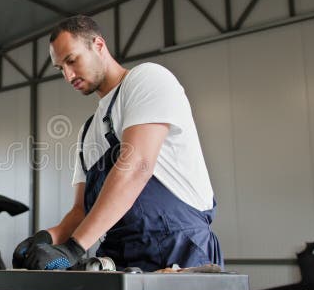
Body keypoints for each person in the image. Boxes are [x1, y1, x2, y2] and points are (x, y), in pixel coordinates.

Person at [13, 15, 223, 272]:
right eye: (60, 69)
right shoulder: (88, 131)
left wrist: (74, 248)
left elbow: (136, 167)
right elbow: (81, 211)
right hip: (118, 257)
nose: (68, 76)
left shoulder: (147, 80)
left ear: (98, 45)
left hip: (177, 250)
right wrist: (46, 239)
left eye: (71, 60)